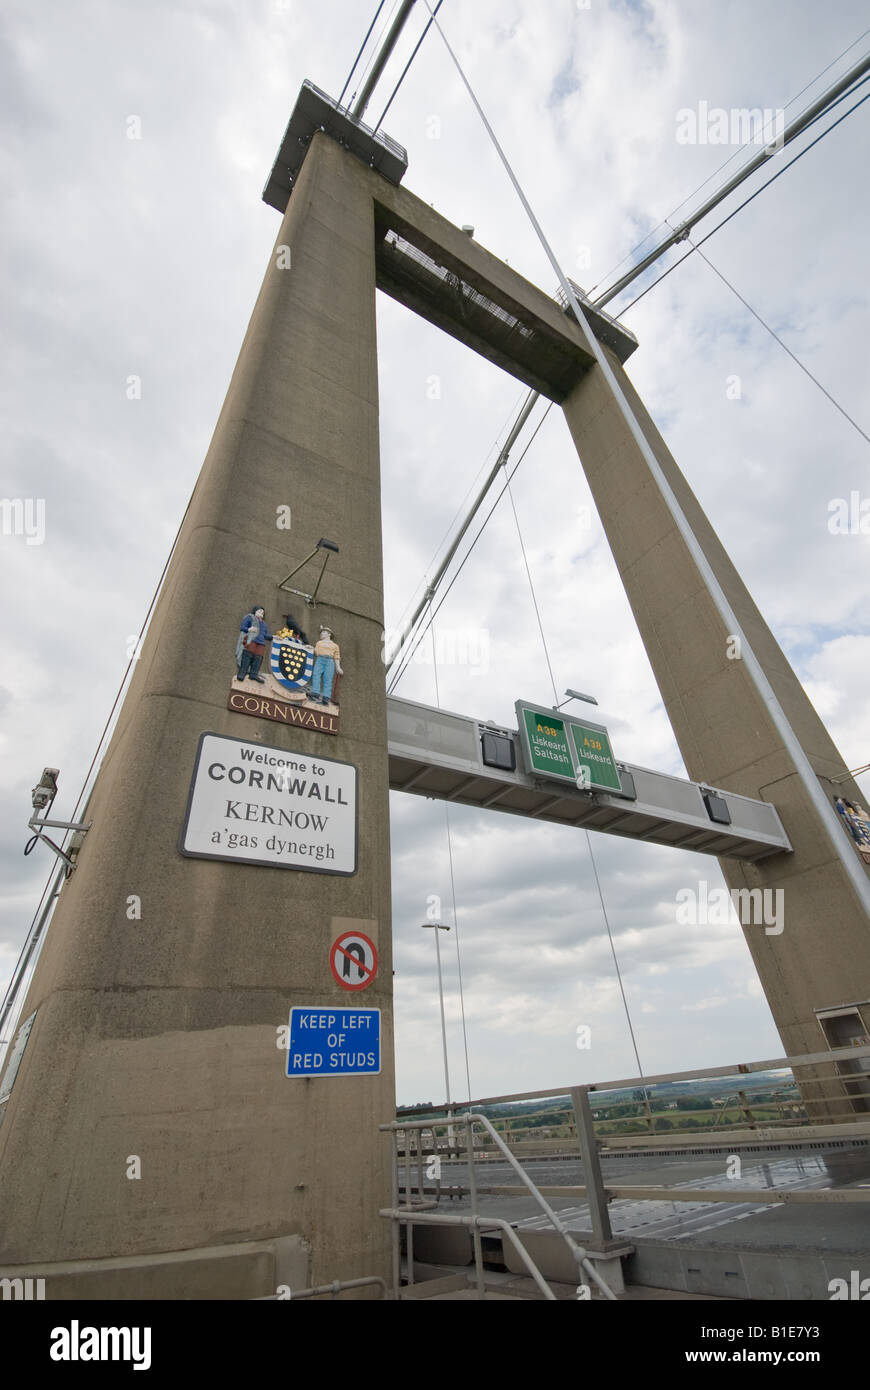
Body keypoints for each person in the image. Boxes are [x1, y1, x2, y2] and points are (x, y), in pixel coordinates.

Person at [237, 606, 273, 683]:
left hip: (261, 643)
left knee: (258, 658)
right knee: (247, 655)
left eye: (263, 612)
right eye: (260, 611)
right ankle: (242, 672)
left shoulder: (264, 624)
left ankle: (253, 674)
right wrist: (249, 629)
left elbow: (266, 635)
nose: (261, 613)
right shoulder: (250, 618)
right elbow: (242, 627)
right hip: (252, 639)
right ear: (255, 611)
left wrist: (273, 637)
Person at [310, 626, 342, 705]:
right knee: (316, 675)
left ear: (329, 634)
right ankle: (315, 692)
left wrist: (338, 667)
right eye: (321, 632)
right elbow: (316, 652)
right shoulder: (319, 643)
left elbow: (336, 657)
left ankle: (326, 697)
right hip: (320, 659)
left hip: (330, 661)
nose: (321, 634)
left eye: (323, 632)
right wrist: (310, 648)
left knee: (328, 678)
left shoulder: (335, 646)